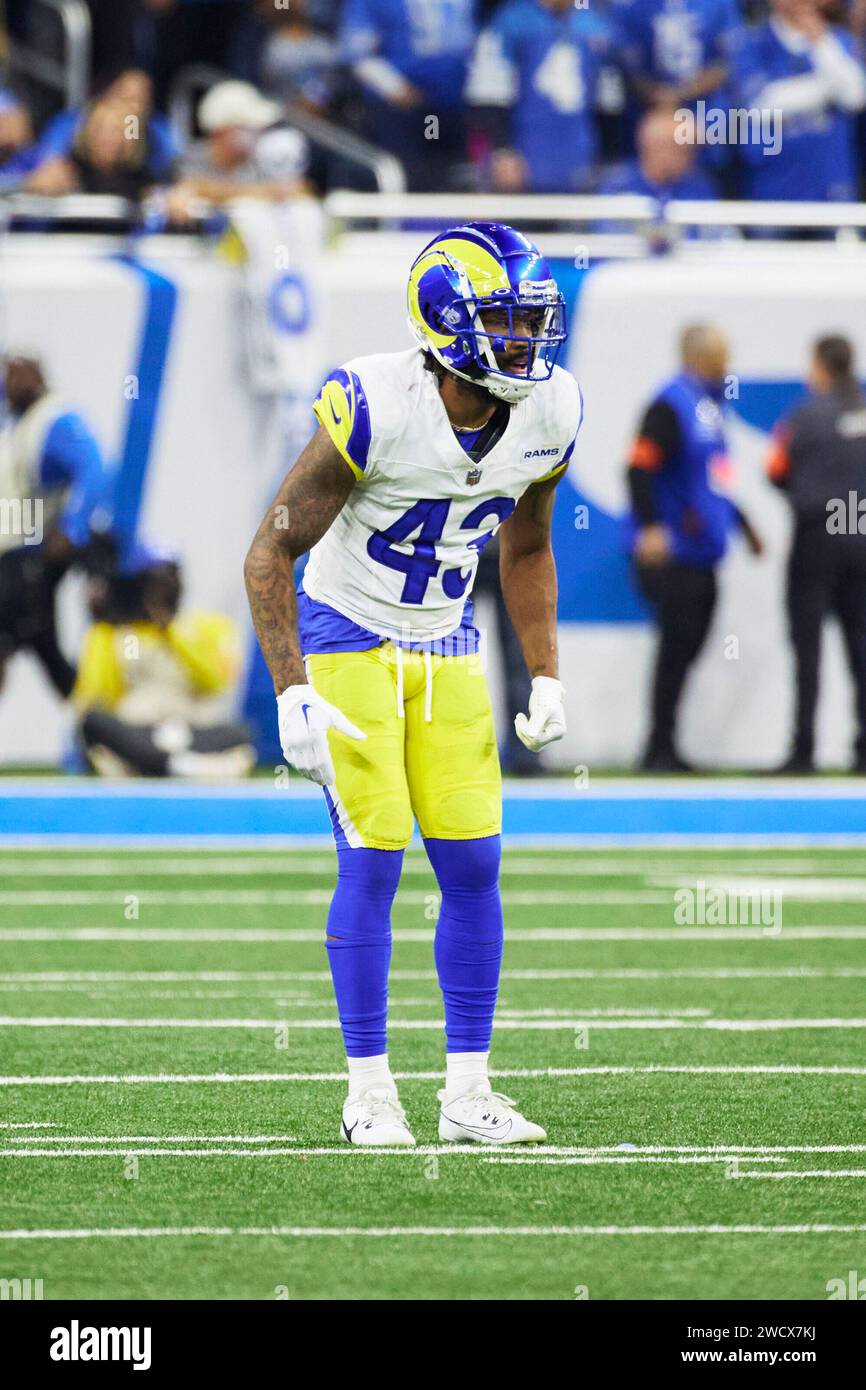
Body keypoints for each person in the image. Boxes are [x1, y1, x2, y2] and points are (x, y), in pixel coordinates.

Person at [245, 222, 582, 1146]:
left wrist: (546, 670)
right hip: (348, 632)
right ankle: (369, 1093)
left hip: (444, 645)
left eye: (529, 320)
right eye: (504, 320)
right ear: (447, 324)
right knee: (377, 857)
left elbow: (527, 541)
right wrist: (290, 688)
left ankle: (467, 1091)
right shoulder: (375, 403)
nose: (525, 340)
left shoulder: (551, 410)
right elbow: (272, 547)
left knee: (474, 865)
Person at [626, 324, 763, 771]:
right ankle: (657, 747)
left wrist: (744, 524)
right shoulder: (670, 406)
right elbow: (639, 469)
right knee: (676, 646)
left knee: (689, 645)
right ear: (699, 356)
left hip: (702, 553)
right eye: (722, 356)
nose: (728, 365)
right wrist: (650, 528)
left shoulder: (709, 409)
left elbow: (713, 482)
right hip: (675, 553)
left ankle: (666, 742)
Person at [766, 336, 866, 773]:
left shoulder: (806, 416)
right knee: (861, 645)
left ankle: (803, 749)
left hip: (816, 537)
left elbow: (775, 470)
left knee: (807, 648)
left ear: (821, 368)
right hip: (860, 533)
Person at [75, 541, 254, 779]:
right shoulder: (117, 632)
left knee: (239, 735)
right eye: (151, 581)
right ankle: (175, 765)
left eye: (168, 579)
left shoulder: (207, 626)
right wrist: (102, 626)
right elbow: (99, 696)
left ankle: (161, 763)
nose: (161, 589)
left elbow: (217, 682)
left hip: (190, 729)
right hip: (138, 730)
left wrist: (169, 630)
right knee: (93, 724)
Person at [0, 353, 108, 699]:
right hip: (13, 555)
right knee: (44, 644)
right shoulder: (16, 422)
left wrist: (73, 528)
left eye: (16, 375)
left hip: (29, 555)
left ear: (36, 376)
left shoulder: (53, 421)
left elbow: (93, 469)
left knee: (29, 637)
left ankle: (103, 723)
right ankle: (99, 722)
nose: (9, 384)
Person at [466, 0, 611, 193]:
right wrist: (503, 150)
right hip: (525, 156)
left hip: (581, 153)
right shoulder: (511, 19)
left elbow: (608, 99)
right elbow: (488, 93)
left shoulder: (591, 21)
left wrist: (607, 155)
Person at [731, 0, 866, 203]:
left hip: (832, 182)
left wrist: (822, 43)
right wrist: (828, 88)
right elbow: (760, 105)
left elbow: (855, 97)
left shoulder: (838, 41)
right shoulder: (752, 43)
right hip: (773, 181)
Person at [340, 0, 477, 190]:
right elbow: (356, 51)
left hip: (453, 106)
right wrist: (393, 87)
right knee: (410, 178)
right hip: (401, 107)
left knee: (454, 178)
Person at [595, 107, 720, 233]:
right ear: (654, 147)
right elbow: (611, 241)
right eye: (685, 150)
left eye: (694, 149)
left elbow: (721, 237)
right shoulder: (619, 186)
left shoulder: (698, 187)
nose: (692, 158)